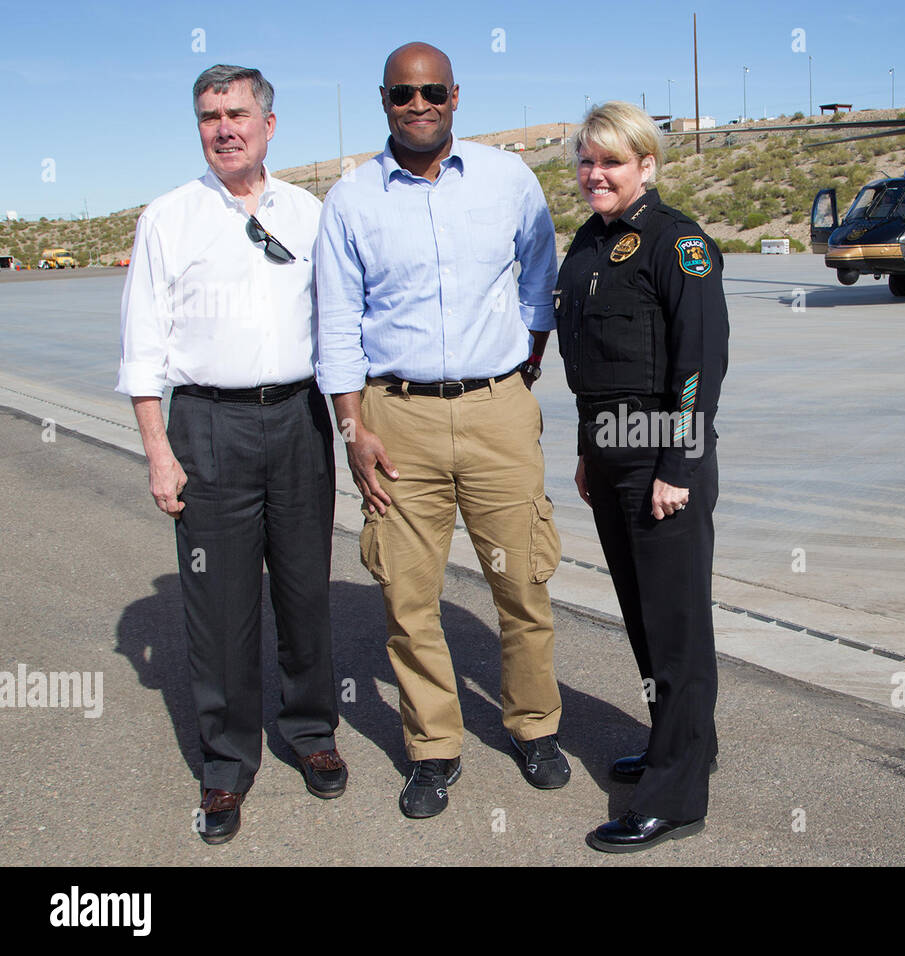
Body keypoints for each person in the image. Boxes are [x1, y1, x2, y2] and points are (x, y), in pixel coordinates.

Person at [314, 42, 567, 820]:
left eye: (431, 91)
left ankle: (533, 726)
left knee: (522, 581)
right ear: (383, 101)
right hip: (396, 422)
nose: (417, 105)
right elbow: (337, 325)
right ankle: (433, 749)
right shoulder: (351, 200)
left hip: (497, 412)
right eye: (401, 93)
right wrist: (353, 428)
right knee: (407, 596)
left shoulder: (507, 179)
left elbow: (539, 278)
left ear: (456, 96)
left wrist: (518, 371)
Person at [117, 64, 345, 846]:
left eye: (238, 113)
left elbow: (344, 329)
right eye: (210, 115)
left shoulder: (312, 215)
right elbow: (143, 347)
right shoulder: (169, 218)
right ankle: (225, 763)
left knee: (305, 587)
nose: (224, 128)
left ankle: (312, 729)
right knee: (218, 608)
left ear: (269, 125)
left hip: (297, 419)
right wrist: (158, 451)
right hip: (206, 427)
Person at [554, 102, 729, 853]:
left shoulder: (676, 242)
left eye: (611, 162)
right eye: (588, 163)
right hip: (612, 450)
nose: (596, 174)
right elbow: (593, 365)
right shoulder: (589, 247)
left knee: (677, 628)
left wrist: (677, 465)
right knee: (643, 618)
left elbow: (698, 362)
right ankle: (679, 743)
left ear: (646, 166)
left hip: (663, 455)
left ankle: (676, 794)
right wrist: (593, 452)